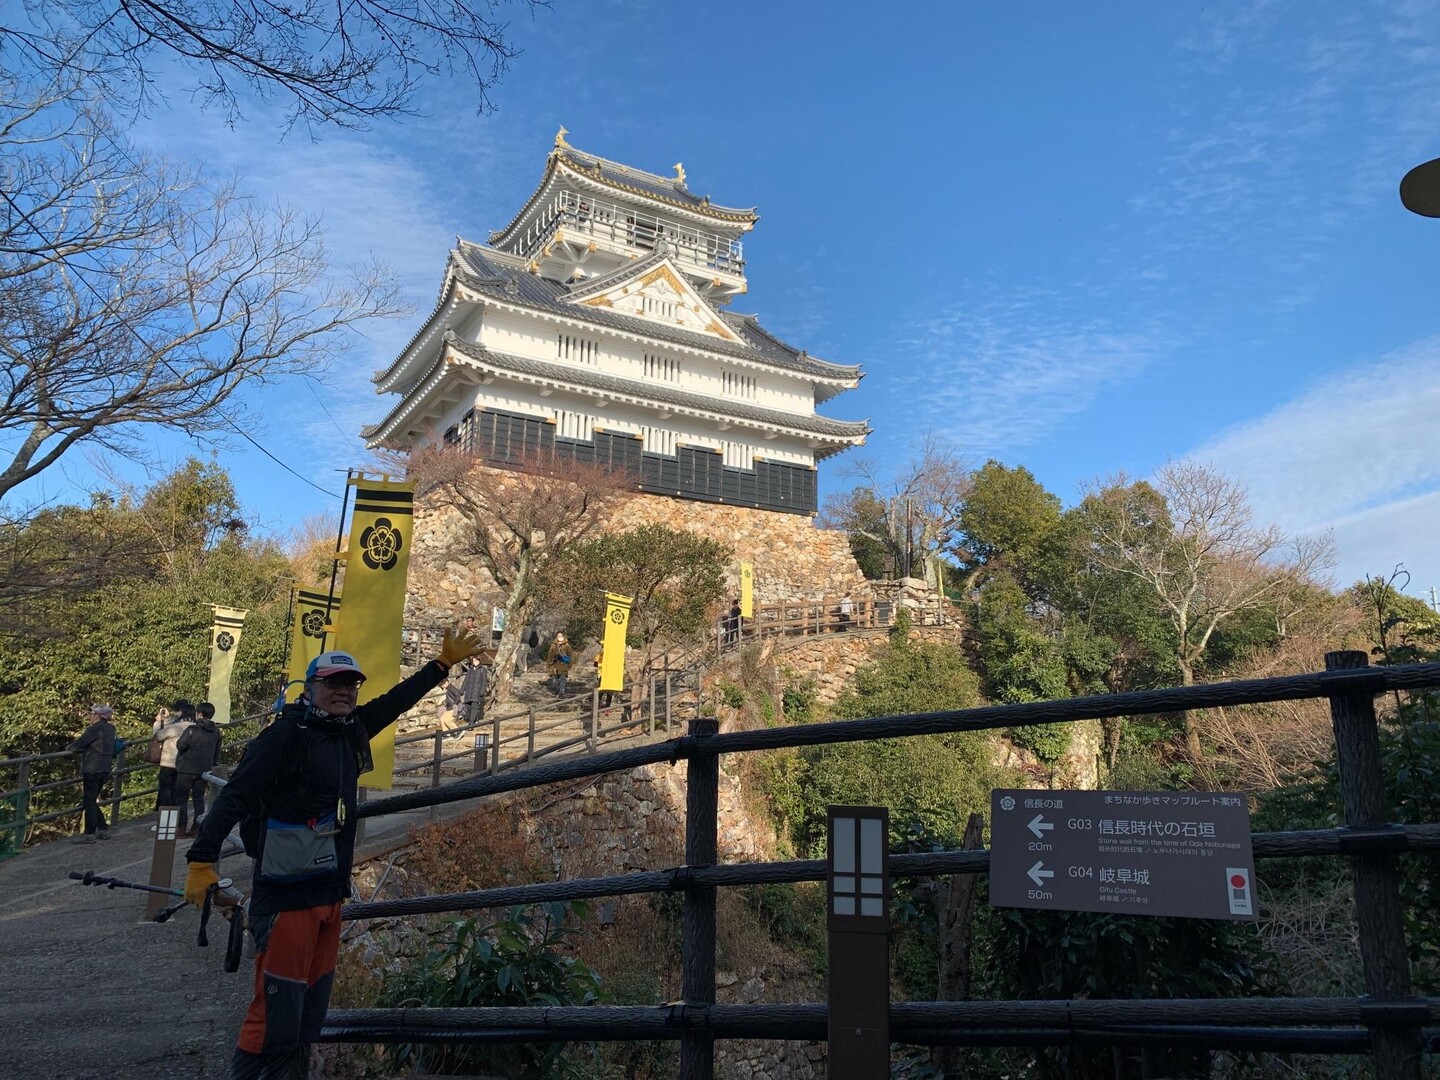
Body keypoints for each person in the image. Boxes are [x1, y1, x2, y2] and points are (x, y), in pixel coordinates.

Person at [184, 627, 483, 1080]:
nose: (343, 691)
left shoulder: (350, 731)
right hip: (286, 899)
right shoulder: (284, 736)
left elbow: (395, 702)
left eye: (351, 684)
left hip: (328, 896)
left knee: (308, 1016)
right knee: (275, 1017)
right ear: (311, 688)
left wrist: (439, 667)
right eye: (333, 683)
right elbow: (236, 795)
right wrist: (201, 861)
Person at [67, 705, 116, 843]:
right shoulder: (110, 729)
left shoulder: (94, 729)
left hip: (93, 767)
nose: (91, 716)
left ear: (98, 716)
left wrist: (71, 748)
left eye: (93, 714)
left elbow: (77, 745)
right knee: (91, 800)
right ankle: (102, 828)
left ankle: (89, 833)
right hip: (105, 767)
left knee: (89, 800)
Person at [175, 702, 222, 837]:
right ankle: (197, 827)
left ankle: (181, 828)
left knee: (181, 798)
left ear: (199, 714)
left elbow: (181, 745)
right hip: (204, 769)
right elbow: (216, 752)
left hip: (186, 768)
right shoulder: (216, 732)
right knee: (198, 798)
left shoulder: (191, 729)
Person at [154, 701, 195, 812]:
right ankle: (178, 820)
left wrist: (160, 722)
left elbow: (158, 736)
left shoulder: (176, 727)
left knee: (166, 790)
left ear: (182, 712)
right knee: (180, 793)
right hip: (187, 764)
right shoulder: (196, 727)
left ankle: (166, 819)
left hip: (170, 762)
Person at [460, 655, 488, 727]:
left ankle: (471, 723)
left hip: (477, 691)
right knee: (468, 707)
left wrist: (482, 691)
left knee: (474, 707)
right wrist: (462, 690)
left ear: (479, 661)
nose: (475, 662)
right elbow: (465, 681)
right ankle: (475, 720)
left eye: (476, 661)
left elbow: (484, 682)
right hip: (469, 691)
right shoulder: (470, 670)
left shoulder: (482, 670)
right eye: (474, 661)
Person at [546, 632, 572, 698]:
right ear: (556, 637)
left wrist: (569, 664)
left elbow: (570, 655)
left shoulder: (567, 645)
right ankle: (557, 690)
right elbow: (550, 655)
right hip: (554, 665)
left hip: (563, 664)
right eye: (558, 636)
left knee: (563, 679)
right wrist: (549, 664)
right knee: (553, 680)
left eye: (561, 636)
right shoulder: (553, 645)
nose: (559, 637)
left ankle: (561, 692)